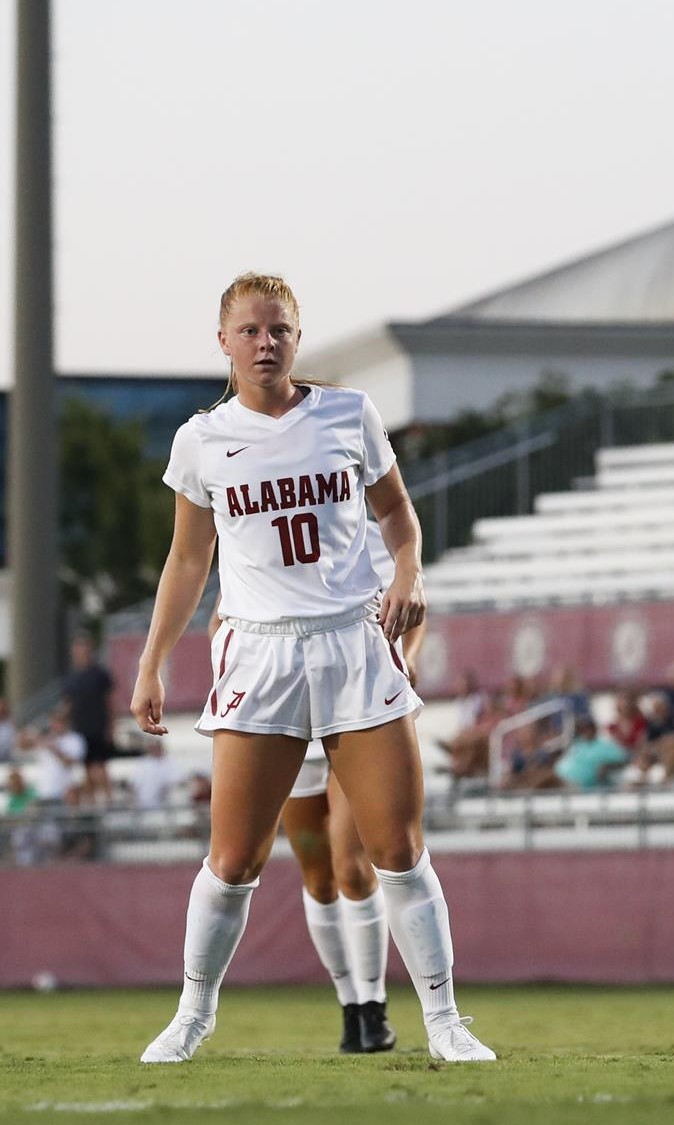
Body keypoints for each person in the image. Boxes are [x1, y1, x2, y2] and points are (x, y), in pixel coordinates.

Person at [127, 273, 491, 1064]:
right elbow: (189, 559)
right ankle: (193, 1013)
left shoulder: (349, 413)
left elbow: (396, 512)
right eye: (252, 330)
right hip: (260, 650)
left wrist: (410, 572)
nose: (267, 343)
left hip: (353, 640)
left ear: (299, 337)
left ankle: (444, 1019)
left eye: (280, 329)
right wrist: (152, 661)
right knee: (235, 859)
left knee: (396, 846)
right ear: (223, 340)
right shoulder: (201, 438)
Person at [243, 517, 421, 1054]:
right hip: (289, 710)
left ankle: (373, 1008)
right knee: (317, 876)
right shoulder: (260, 530)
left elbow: (412, 605)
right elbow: (224, 620)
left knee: (352, 864)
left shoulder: (365, 531)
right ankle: (348, 1002)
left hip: (354, 704)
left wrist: (404, 663)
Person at [64, 637, 119, 806]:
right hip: (80, 728)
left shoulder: (100, 674)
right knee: (87, 769)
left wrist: (111, 728)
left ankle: (108, 800)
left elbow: (111, 702)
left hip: (97, 727)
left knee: (99, 766)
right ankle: (93, 802)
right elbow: (68, 704)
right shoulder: (72, 677)